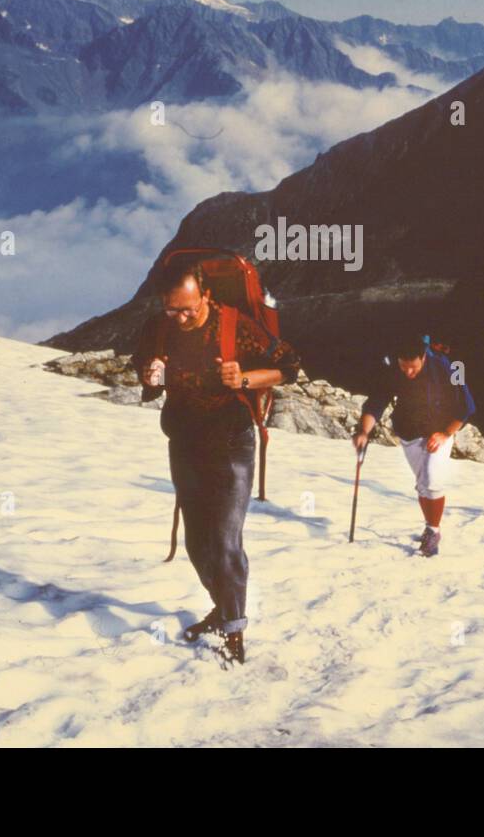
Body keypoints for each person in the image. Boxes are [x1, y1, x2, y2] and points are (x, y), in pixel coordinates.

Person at [132, 254, 300, 665]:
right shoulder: (160, 328)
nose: (181, 318)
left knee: (224, 544)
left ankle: (233, 631)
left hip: (230, 444)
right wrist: (148, 375)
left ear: (205, 294)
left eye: (188, 309)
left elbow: (290, 367)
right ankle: (222, 607)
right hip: (185, 444)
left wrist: (243, 379)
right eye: (173, 309)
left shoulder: (234, 326)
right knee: (197, 545)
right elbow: (144, 371)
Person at [353, 336, 475, 557]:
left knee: (432, 480)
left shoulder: (451, 366)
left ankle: (433, 531)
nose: (408, 372)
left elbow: (466, 406)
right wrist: (364, 431)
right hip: (409, 432)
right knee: (422, 484)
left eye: (413, 367)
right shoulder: (391, 367)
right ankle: (430, 526)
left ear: (424, 357)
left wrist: (445, 434)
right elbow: (377, 401)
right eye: (404, 367)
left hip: (439, 431)